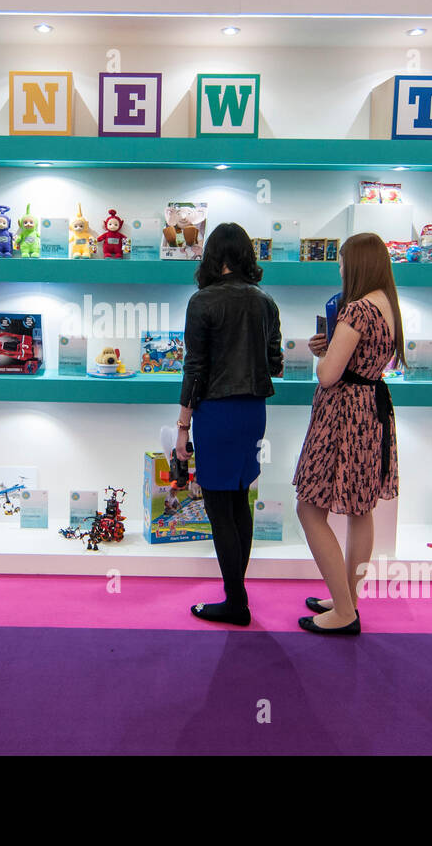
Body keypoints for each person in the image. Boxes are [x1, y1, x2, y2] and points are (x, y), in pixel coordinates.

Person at [293, 232, 403, 636]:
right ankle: (347, 599)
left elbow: (328, 375)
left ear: (355, 264)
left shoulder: (356, 310)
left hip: (343, 416)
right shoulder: (387, 305)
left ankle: (343, 610)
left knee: (309, 507)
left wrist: (322, 355)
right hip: (371, 412)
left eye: (341, 262)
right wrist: (330, 348)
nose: (339, 269)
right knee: (361, 510)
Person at [175, 222, 283, 627]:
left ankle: (235, 602)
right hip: (254, 411)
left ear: (213, 256)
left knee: (220, 506)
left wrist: (183, 426)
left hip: (216, 412)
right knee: (240, 500)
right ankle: (237, 596)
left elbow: (195, 369)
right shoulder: (265, 301)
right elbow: (275, 364)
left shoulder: (202, 301)